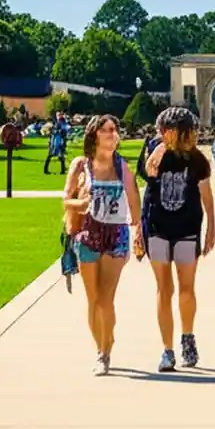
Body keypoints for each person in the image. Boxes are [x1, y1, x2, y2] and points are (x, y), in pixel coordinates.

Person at [63, 115, 142, 375]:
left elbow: (134, 201)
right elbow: (66, 200)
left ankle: (105, 353)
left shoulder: (122, 167)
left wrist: (139, 230)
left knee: (107, 297)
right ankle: (100, 345)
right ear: (95, 134)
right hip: (87, 234)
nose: (112, 133)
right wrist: (81, 205)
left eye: (114, 130)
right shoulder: (80, 166)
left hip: (116, 236)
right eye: (107, 130)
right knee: (94, 299)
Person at [141, 107, 215, 371]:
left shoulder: (197, 160)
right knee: (164, 289)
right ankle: (167, 349)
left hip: (187, 228)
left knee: (186, 288)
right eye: (163, 130)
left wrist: (211, 228)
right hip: (157, 228)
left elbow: (206, 194)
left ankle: (187, 336)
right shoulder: (153, 151)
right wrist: (161, 147)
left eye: (171, 130)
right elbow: (149, 175)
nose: (164, 133)